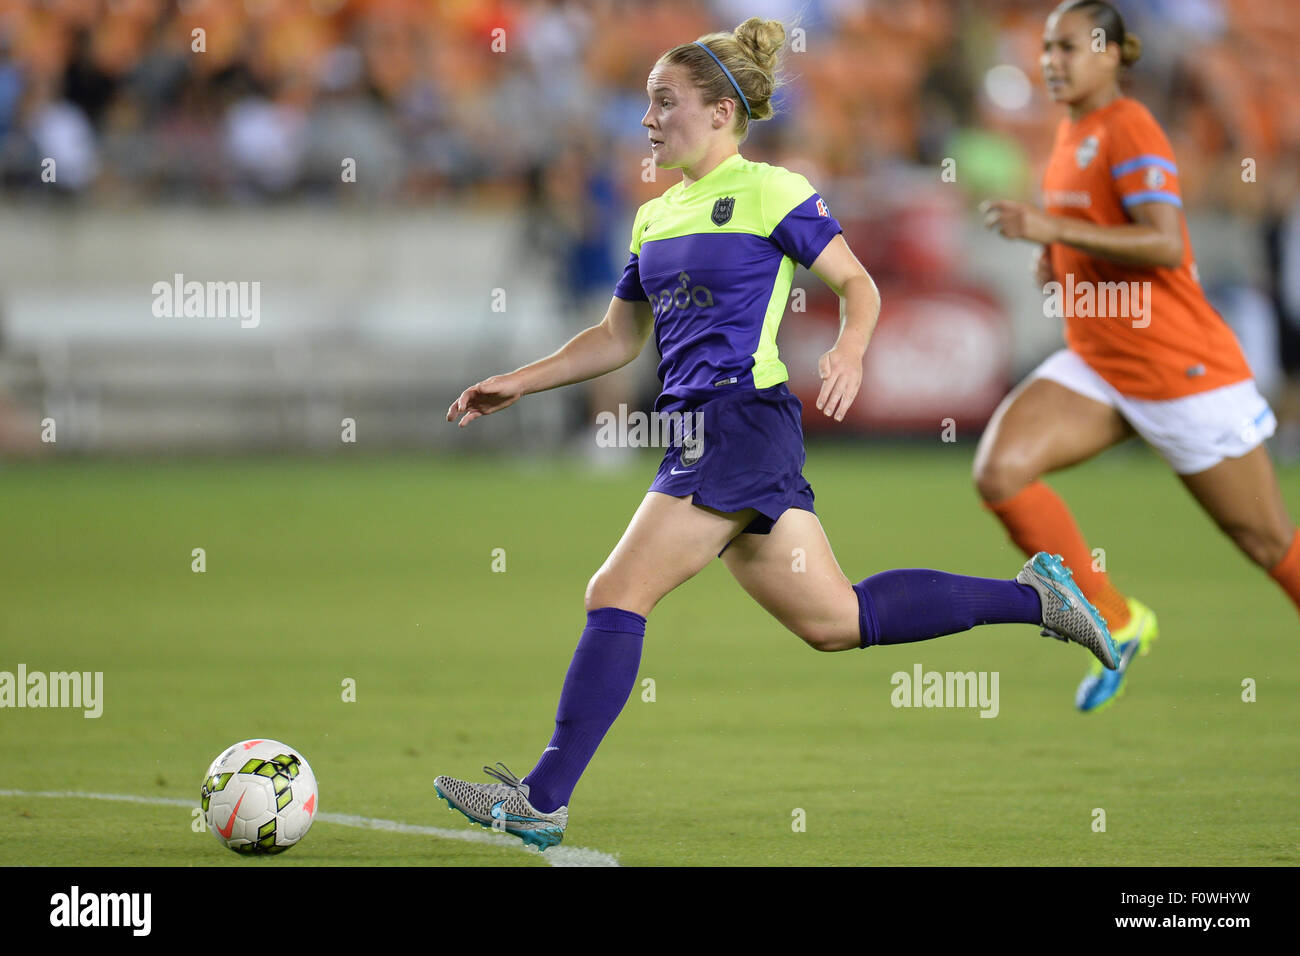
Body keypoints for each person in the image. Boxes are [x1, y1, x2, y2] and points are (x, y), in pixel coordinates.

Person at [435, 16, 1116, 851]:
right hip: (693, 431)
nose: (648, 120)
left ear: (722, 110)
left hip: (738, 424)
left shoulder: (774, 190)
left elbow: (856, 283)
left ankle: (542, 799)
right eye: (646, 103)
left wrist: (850, 347)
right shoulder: (656, 217)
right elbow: (617, 338)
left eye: (665, 101)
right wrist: (519, 380)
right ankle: (1038, 598)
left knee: (616, 594)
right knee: (836, 619)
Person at [977, 0, 1299, 715]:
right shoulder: (1073, 132)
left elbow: (1165, 243)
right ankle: (1117, 620)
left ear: (1113, 54)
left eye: (1068, 48)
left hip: (1176, 369)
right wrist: (1057, 259)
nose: (1051, 61)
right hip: (1099, 358)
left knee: (1266, 540)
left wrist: (1050, 227)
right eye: (1046, 48)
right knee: (1001, 470)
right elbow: (1096, 232)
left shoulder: (1129, 127)